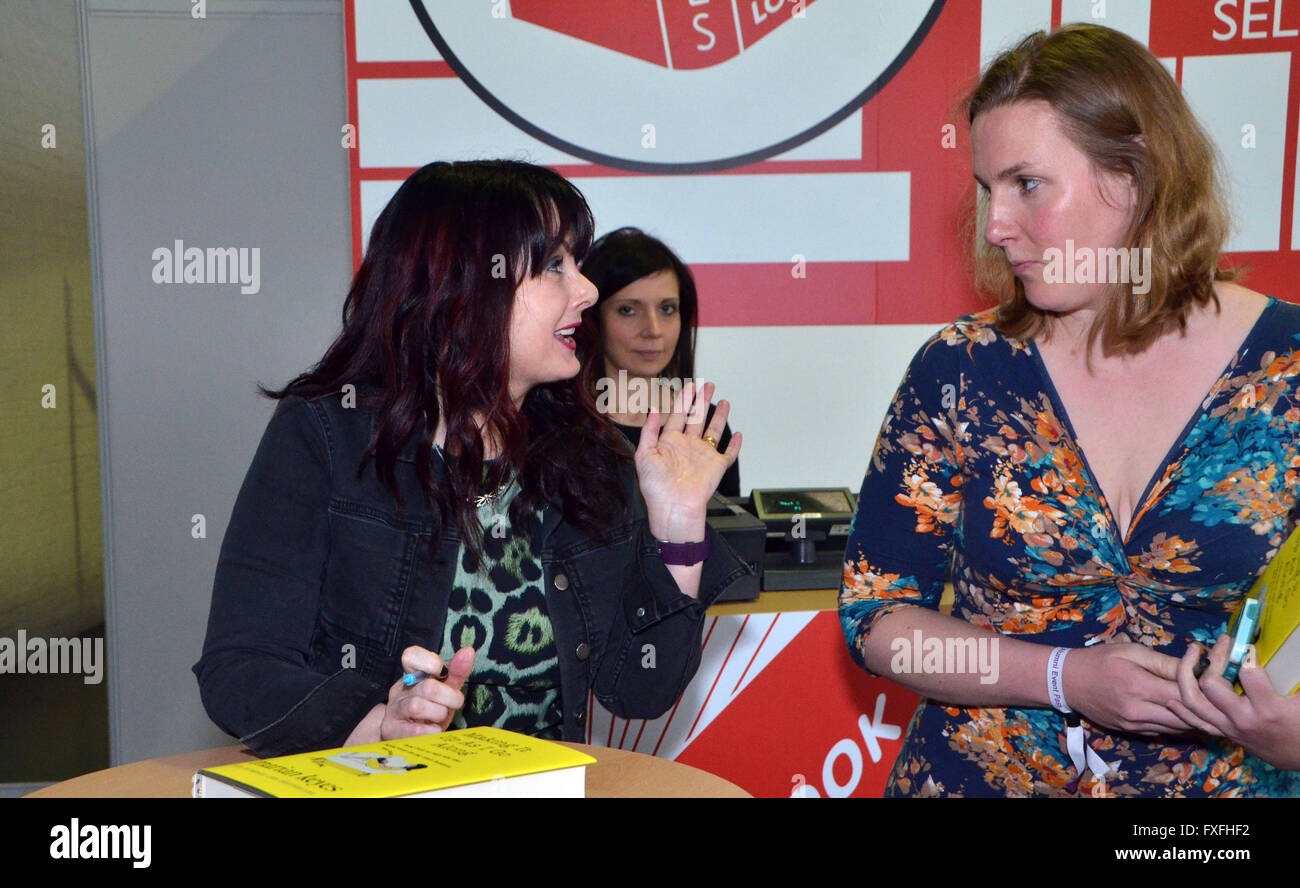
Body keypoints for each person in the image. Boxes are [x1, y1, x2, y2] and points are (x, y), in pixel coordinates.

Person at [839, 24, 1300, 797]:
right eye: (989, 190)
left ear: (1134, 174)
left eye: (1027, 184)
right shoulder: (962, 371)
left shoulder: (1288, 368)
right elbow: (878, 618)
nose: (995, 226)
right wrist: (1061, 677)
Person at [194, 160, 747, 758]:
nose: (587, 291)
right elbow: (240, 670)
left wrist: (678, 525)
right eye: (556, 266)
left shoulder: (588, 450)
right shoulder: (327, 435)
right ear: (466, 286)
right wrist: (378, 724)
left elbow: (639, 689)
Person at [582, 227, 741, 497]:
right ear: (594, 318)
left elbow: (730, 535)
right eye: (628, 310)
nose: (653, 329)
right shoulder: (557, 424)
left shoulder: (706, 425)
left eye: (667, 309)